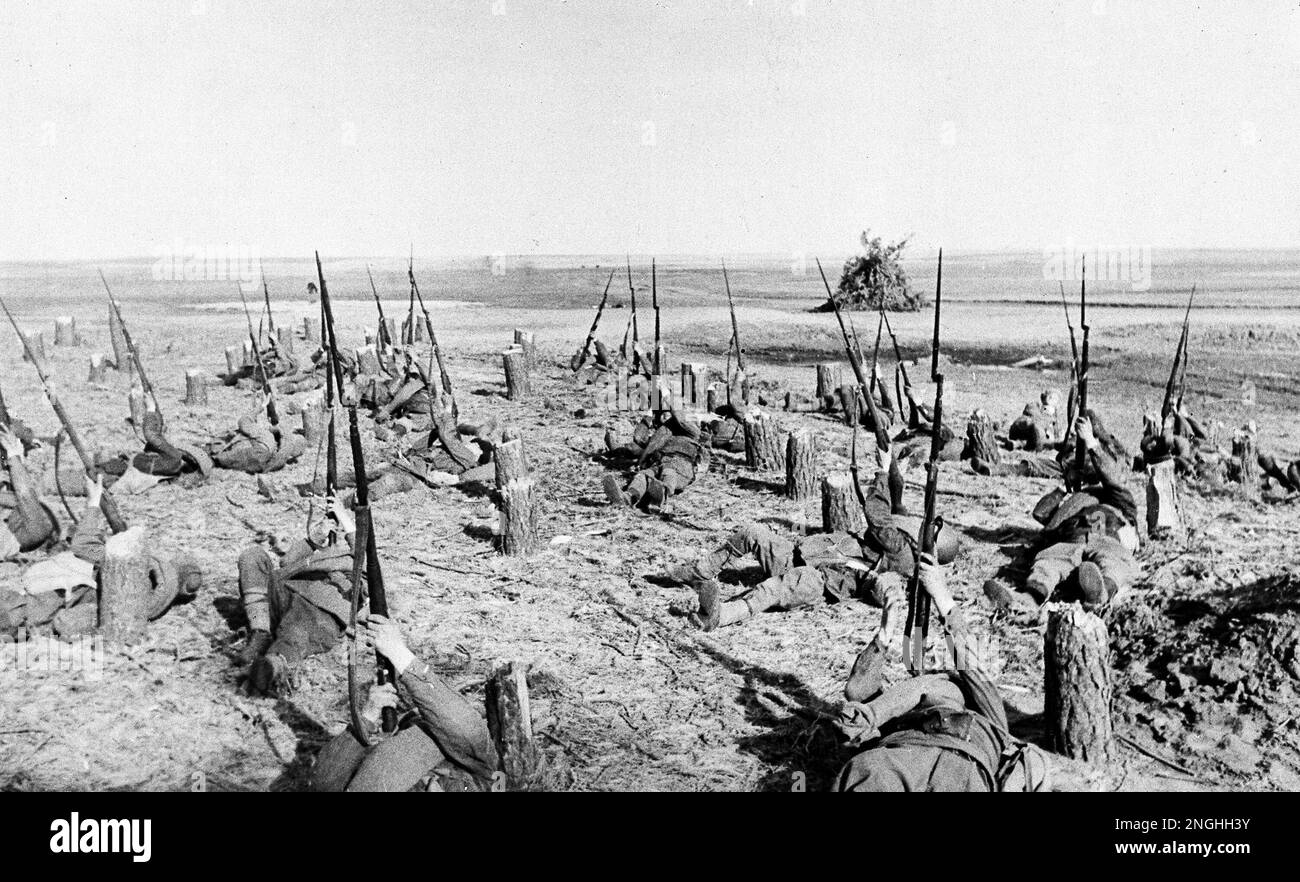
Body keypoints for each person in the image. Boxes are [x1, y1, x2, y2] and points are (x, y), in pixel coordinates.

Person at [669, 450, 958, 631]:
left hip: (821, 579)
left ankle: (719, 616)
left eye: (930, 527)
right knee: (751, 533)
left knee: (772, 589)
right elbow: (896, 505)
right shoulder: (905, 544)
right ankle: (699, 572)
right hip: (802, 555)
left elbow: (878, 515)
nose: (922, 524)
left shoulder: (902, 551)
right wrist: (895, 466)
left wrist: (881, 471)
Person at [834, 556, 1048, 792]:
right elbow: (857, 691)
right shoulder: (900, 700)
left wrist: (942, 597)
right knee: (866, 771)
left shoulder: (987, 708)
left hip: (963, 765)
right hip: (902, 754)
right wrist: (885, 631)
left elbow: (970, 663)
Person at [0, 431, 200, 639]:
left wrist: (93, 504)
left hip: (22, 611)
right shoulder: (135, 598)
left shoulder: (122, 572)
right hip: (28, 608)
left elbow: (83, 546)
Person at [309, 614, 498, 792]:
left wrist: (367, 717)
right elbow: (466, 729)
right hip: (447, 740)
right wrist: (397, 653)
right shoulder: (491, 776)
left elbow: (322, 784)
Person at [989, 415, 1140, 612]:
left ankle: (1100, 593)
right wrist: (1063, 488)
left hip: (1108, 538)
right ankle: (1029, 598)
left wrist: (1091, 442)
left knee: (1113, 563)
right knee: (1047, 564)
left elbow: (1112, 477)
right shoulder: (1074, 499)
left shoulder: (1119, 497)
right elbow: (1042, 515)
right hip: (1071, 540)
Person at [235, 496, 356, 696]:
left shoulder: (356, 565)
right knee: (252, 556)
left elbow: (364, 552)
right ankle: (260, 631)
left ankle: (270, 668)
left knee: (295, 634)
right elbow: (287, 562)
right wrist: (316, 538)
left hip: (319, 608)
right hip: (286, 590)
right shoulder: (318, 551)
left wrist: (343, 516)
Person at [602, 407, 711, 510]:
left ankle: (661, 496)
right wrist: (648, 415)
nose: (666, 416)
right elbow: (638, 438)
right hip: (658, 464)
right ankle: (627, 498)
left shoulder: (693, 433)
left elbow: (680, 418)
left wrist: (666, 396)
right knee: (643, 475)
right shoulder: (660, 437)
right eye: (663, 414)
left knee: (668, 473)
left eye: (668, 414)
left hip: (680, 466)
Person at [208, 395, 307, 474]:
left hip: (230, 453)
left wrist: (261, 407)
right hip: (246, 463)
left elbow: (243, 422)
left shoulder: (266, 435)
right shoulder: (277, 460)